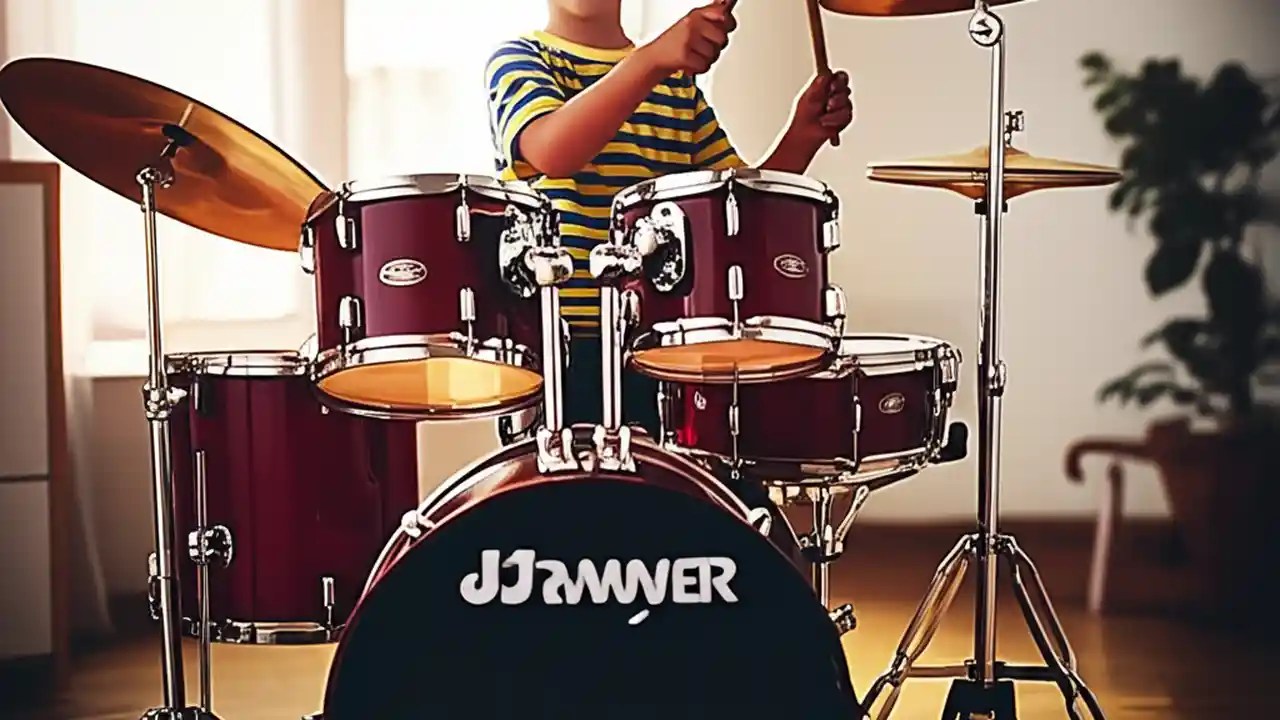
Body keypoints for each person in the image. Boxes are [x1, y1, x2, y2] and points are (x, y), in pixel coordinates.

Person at [485, 0, 854, 438]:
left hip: (663, 351)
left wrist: (802, 135)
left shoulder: (675, 86)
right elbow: (553, 151)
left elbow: (737, 209)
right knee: (568, 498)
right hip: (562, 347)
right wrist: (652, 60)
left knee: (674, 494)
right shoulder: (521, 59)